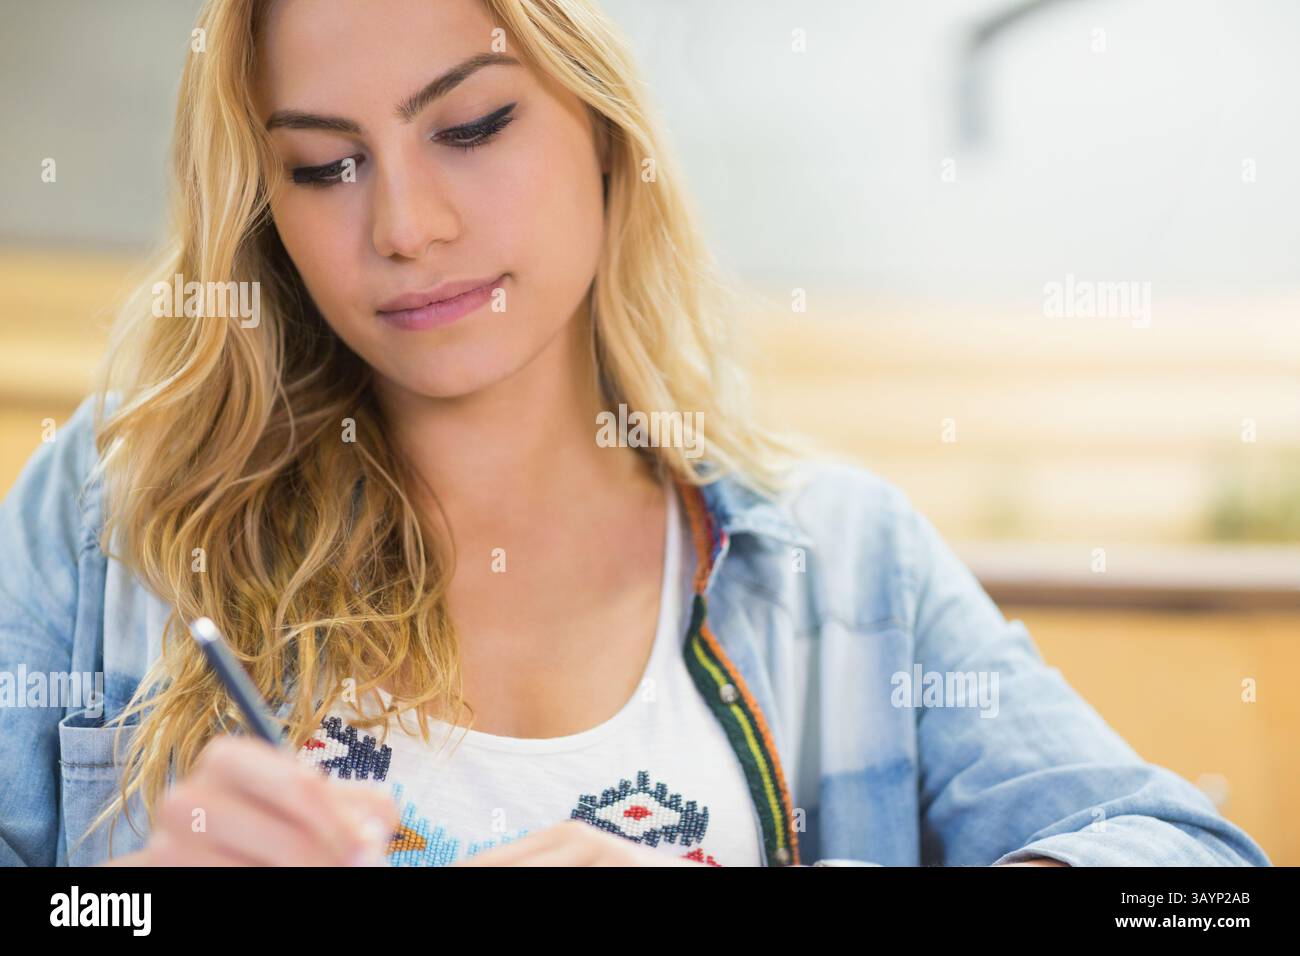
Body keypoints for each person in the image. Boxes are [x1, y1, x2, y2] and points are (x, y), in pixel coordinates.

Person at [0, 0, 1270, 868]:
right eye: (325, 166)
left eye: (472, 126)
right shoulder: (114, 514)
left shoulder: (837, 562)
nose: (404, 225)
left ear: (604, 132)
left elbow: (1193, 874)